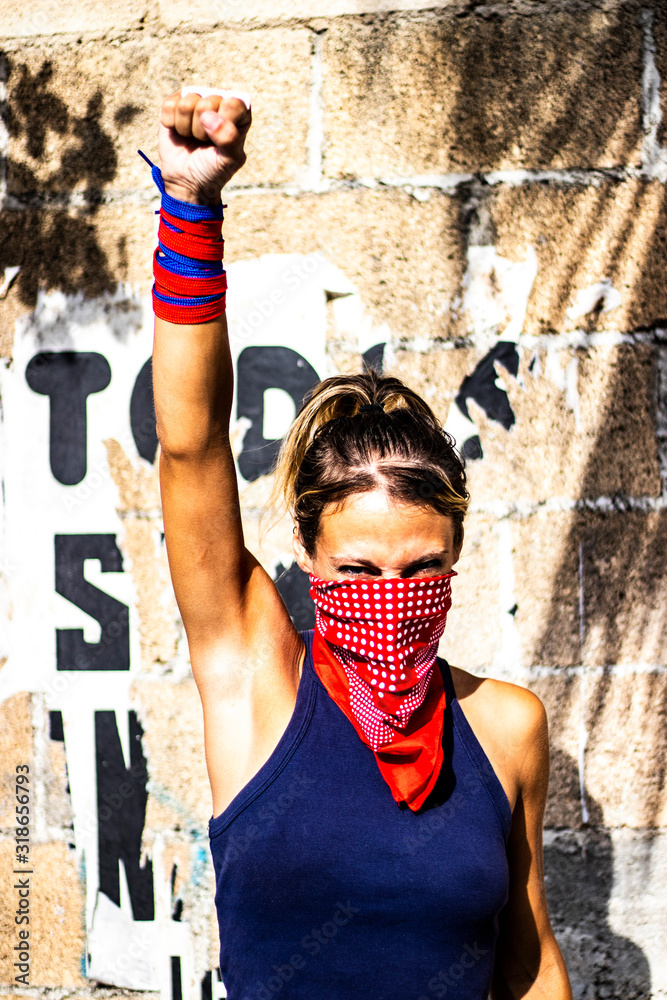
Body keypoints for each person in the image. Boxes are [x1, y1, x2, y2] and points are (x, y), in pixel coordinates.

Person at [150, 90, 573, 1000]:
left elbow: (528, 961)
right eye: (359, 570)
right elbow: (190, 445)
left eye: (423, 570)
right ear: (307, 555)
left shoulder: (505, 728)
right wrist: (191, 211)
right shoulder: (255, 682)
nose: (394, 594)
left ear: (456, 551)